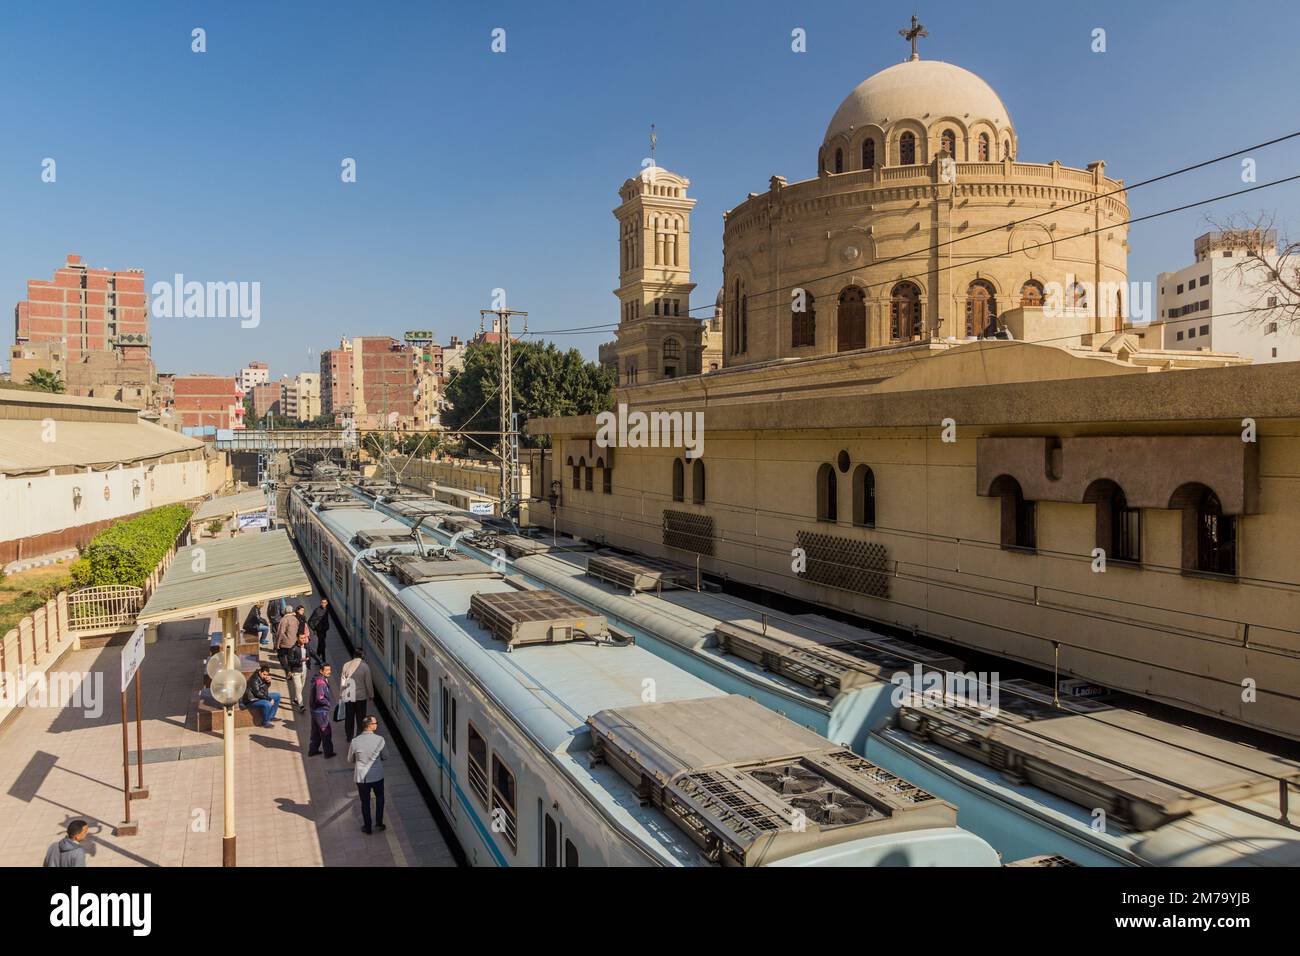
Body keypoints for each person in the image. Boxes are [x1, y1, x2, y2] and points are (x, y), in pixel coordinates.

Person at [347, 716, 387, 834]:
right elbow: (385, 756)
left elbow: (349, 759)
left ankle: (367, 827)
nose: (376, 724)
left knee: (365, 802)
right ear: (369, 726)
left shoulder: (355, 741)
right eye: (375, 723)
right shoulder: (380, 739)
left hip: (361, 778)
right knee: (380, 798)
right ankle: (379, 823)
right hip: (377, 776)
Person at [339, 648, 374, 742]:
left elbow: (343, 682)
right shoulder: (365, 667)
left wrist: (341, 694)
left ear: (354, 655)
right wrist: (371, 694)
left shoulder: (346, 665)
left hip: (349, 696)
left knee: (349, 717)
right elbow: (368, 683)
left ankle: (349, 736)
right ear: (362, 656)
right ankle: (359, 736)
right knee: (361, 718)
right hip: (361, 697)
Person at [286, 631, 321, 713]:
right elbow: (290, 661)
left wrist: (321, 662)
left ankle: (295, 700)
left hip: (304, 670)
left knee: (301, 686)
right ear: (297, 638)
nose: (304, 639)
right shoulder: (293, 649)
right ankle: (301, 706)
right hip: (296, 671)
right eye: (302, 638)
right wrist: (300, 660)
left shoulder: (307, 647)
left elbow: (313, 654)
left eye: (305, 637)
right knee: (298, 687)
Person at [308, 663, 336, 758]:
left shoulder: (317, 679)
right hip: (321, 711)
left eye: (330, 670)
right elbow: (320, 697)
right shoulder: (321, 682)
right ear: (321, 671)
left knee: (315, 731)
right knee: (326, 731)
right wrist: (327, 703)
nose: (329, 672)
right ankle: (328, 753)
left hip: (314, 710)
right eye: (327, 670)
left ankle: (313, 750)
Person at [274, 604, 304, 676]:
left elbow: (280, 632)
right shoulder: (295, 619)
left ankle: (288, 671)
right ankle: (291, 671)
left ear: (285, 611)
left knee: (281, 656)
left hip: (285, 643)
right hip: (294, 643)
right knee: (290, 657)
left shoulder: (284, 620)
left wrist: (277, 644)